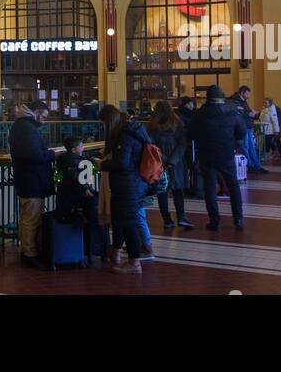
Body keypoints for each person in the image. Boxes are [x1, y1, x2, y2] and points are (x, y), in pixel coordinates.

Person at [102, 109, 156, 275]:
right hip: (131, 184)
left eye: (103, 123)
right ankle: (116, 252)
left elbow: (123, 163)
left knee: (129, 223)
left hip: (129, 185)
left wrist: (102, 164)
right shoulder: (132, 131)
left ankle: (134, 262)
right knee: (119, 219)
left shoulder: (125, 135)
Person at [189, 86, 247, 230]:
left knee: (209, 188)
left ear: (207, 98)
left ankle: (214, 220)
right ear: (222, 98)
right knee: (233, 186)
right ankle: (238, 219)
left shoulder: (199, 114)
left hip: (206, 155)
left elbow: (190, 134)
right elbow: (242, 133)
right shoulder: (232, 113)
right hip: (226, 154)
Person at [9, 100, 57, 268]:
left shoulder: (21, 125)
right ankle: (31, 254)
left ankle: (26, 251)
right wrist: (52, 154)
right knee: (32, 220)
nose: (43, 121)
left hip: (27, 179)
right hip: (32, 180)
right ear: (36, 111)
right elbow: (35, 155)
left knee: (26, 218)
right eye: (43, 117)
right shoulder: (27, 129)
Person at [55, 133, 105, 261]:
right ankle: (100, 246)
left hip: (66, 200)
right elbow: (77, 178)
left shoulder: (66, 159)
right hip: (76, 198)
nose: (83, 148)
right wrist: (87, 189)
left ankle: (98, 246)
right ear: (74, 149)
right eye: (81, 146)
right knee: (98, 213)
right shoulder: (75, 161)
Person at [147, 101, 192, 229]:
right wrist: (173, 160)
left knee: (162, 191)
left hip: (160, 164)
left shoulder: (152, 126)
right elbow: (182, 144)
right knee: (178, 191)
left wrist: (163, 159)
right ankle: (181, 217)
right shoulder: (177, 124)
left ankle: (167, 219)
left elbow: (151, 146)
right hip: (176, 164)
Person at [231, 86, 268, 174]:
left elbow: (244, 112)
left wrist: (253, 113)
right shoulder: (236, 101)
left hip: (248, 127)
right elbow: (239, 114)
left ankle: (257, 166)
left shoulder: (242, 101)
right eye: (247, 93)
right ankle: (251, 166)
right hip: (243, 127)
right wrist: (250, 114)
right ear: (242, 92)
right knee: (246, 147)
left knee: (251, 147)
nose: (249, 96)